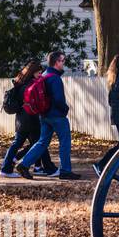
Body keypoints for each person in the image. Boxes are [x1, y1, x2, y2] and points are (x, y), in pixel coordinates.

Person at [16, 49, 80, 179]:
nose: (63, 63)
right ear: (57, 62)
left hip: (44, 115)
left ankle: (24, 164)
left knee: (42, 142)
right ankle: (66, 170)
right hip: (57, 115)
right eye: (62, 61)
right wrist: (65, 109)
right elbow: (58, 99)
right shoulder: (55, 78)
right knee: (65, 141)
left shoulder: (43, 75)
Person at [0, 59, 53, 178]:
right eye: (39, 73)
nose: (40, 75)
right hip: (29, 119)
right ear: (33, 72)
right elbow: (32, 103)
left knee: (29, 143)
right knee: (39, 143)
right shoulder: (29, 86)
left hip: (21, 119)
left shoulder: (21, 83)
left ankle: (9, 166)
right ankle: (48, 168)